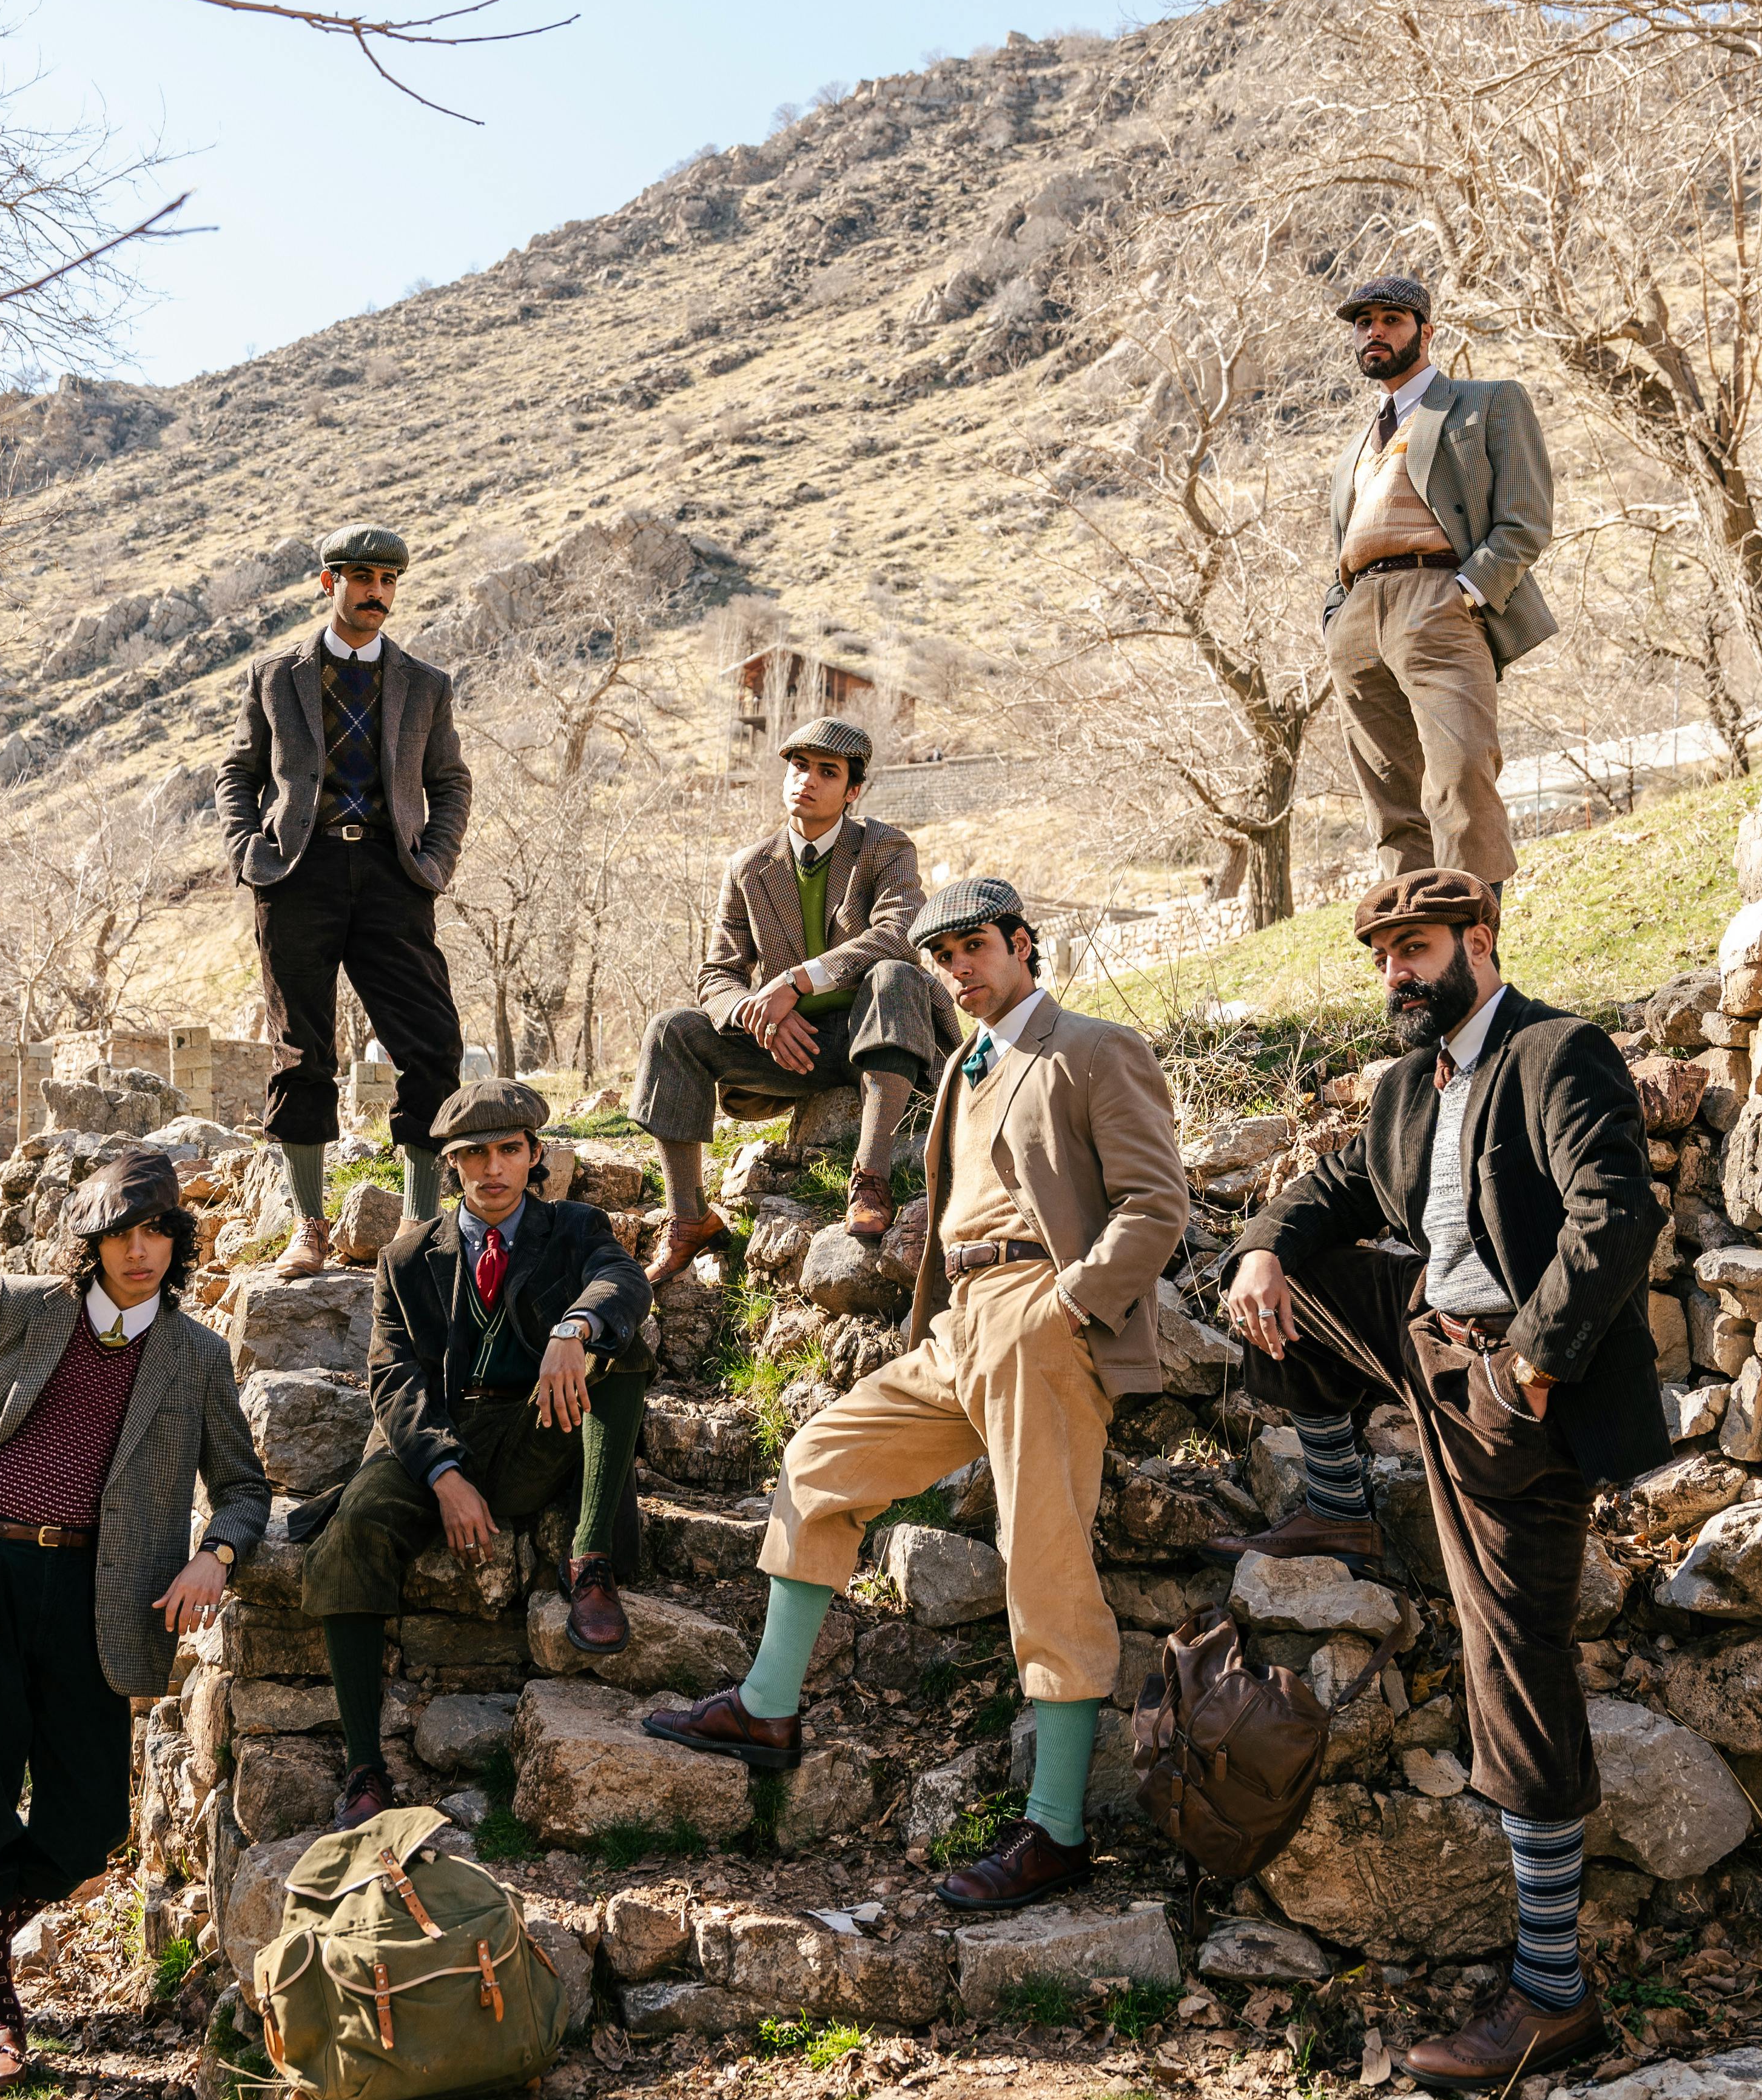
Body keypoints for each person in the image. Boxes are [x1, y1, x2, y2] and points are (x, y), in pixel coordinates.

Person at [644, 874, 1188, 1914]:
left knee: (1045, 1558)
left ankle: (1058, 1831)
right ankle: (767, 1705)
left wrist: (1069, 1305)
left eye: (975, 946)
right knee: (821, 1458)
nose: (958, 968)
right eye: (942, 957)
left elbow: (1156, 1203)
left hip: (1041, 1317)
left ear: (1023, 942)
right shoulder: (968, 1066)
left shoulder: (1092, 1048)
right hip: (960, 1324)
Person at [1217, 866, 1667, 2089]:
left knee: (1511, 1656)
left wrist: (1532, 1365)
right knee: (1295, 1283)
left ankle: (1551, 1994)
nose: (1395, 974)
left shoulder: (1555, 1052)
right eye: (1382, 957)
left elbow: (1613, 1214)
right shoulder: (1406, 1087)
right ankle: (1341, 1510)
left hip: (1513, 1390)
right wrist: (1261, 1250)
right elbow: (1334, 1190)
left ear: (1480, 938)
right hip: (1424, 1338)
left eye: (1414, 948)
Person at [0, 1144, 267, 2095]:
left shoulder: (197, 1357)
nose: (140, 1252)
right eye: (122, 1234)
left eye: (158, 1233)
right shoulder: (20, 1307)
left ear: (179, 1244)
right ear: (90, 1244)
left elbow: (245, 1489)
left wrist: (214, 1556)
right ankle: (3, 2020)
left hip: (99, 1592)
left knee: (89, 1822)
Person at [294, 1079, 654, 1824]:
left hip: (537, 1425)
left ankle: (591, 1559)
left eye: (509, 1151)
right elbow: (393, 1376)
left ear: (534, 1155)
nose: (493, 1169)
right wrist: (443, 1473)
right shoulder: (405, 1256)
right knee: (352, 1530)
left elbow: (622, 1281)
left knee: (622, 1350)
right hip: (436, 1432)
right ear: (451, 1164)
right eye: (474, 1154)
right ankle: (364, 1768)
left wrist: (573, 1328)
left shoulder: (574, 1227)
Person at [215, 520, 472, 1278]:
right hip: (298, 875)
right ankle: (309, 1227)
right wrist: (248, 853)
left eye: (388, 581)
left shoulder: (425, 685)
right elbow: (237, 774)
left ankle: (421, 1227)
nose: (377, 593)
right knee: (302, 1050)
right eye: (362, 579)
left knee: (430, 1044)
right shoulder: (275, 676)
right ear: (330, 584)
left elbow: (450, 782)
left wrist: (434, 860)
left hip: (395, 877)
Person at [630, 720, 953, 1270]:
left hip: (881, 1034)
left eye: (828, 772)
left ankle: (870, 1180)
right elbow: (718, 975)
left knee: (895, 974)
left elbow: (901, 932)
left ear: (853, 791)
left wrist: (795, 981)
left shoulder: (885, 846)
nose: (808, 779)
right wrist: (758, 1017)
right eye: (800, 766)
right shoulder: (749, 867)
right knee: (671, 1029)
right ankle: (689, 1218)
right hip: (793, 1049)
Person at [1323, 270, 1556, 893]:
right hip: (1357, 620)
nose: (1374, 332)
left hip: (1438, 597)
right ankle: (1417, 943)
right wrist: (1336, 620)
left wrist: (1466, 592)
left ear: (1425, 332)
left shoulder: (1488, 402)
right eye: (1363, 323)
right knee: (1390, 806)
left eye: (1390, 320)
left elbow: (1525, 520)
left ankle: (1474, 942)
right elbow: (1339, 549)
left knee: (1460, 779)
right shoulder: (1352, 450)